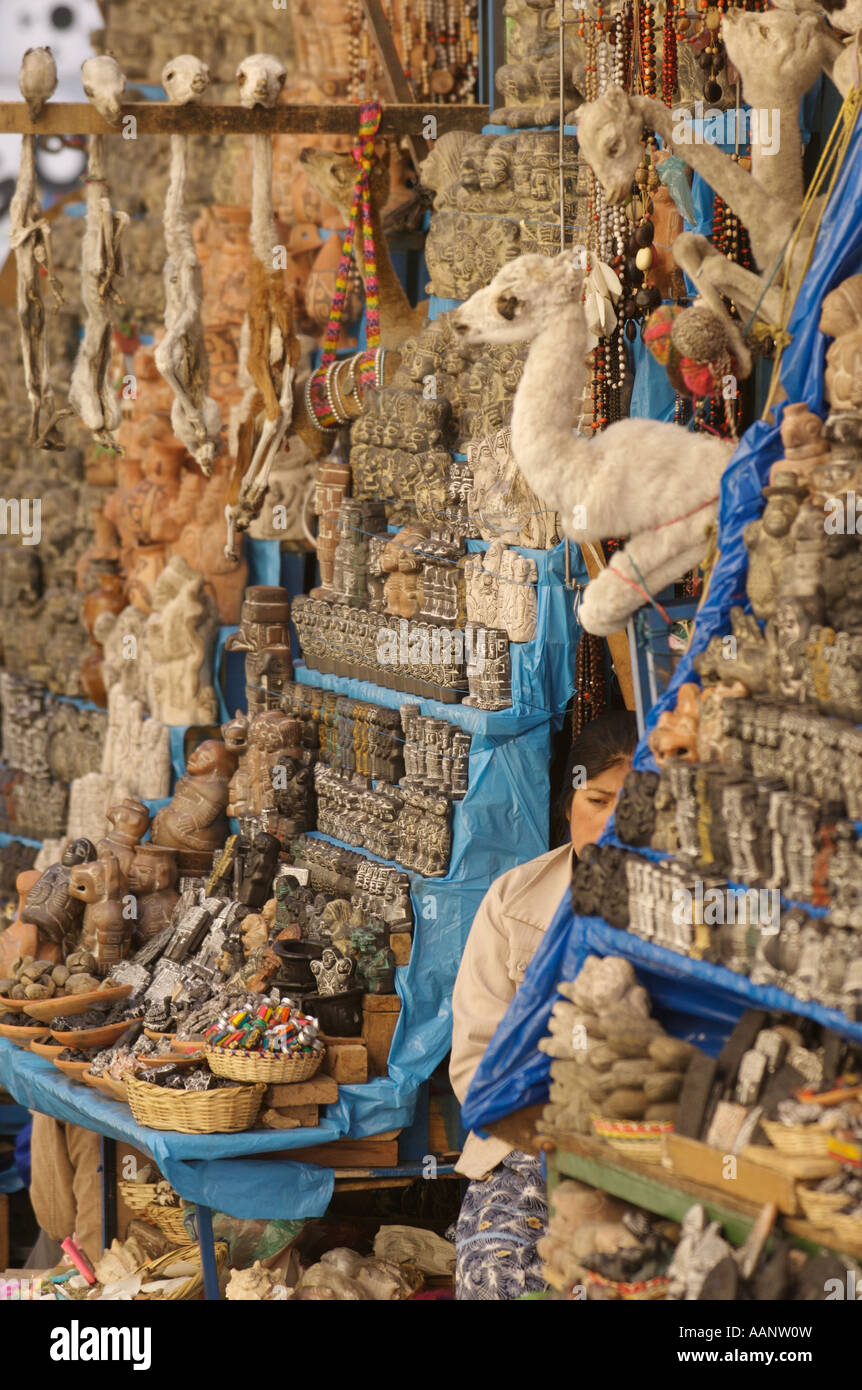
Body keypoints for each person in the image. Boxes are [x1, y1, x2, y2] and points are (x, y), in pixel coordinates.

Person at [449, 708, 638, 1300]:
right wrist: (548, 1132)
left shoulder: (692, 907)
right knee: (497, 1271)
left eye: (632, 806)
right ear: (567, 804)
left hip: (647, 1149)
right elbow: (476, 1057)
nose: (612, 824)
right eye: (598, 801)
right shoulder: (514, 902)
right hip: (530, 1147)